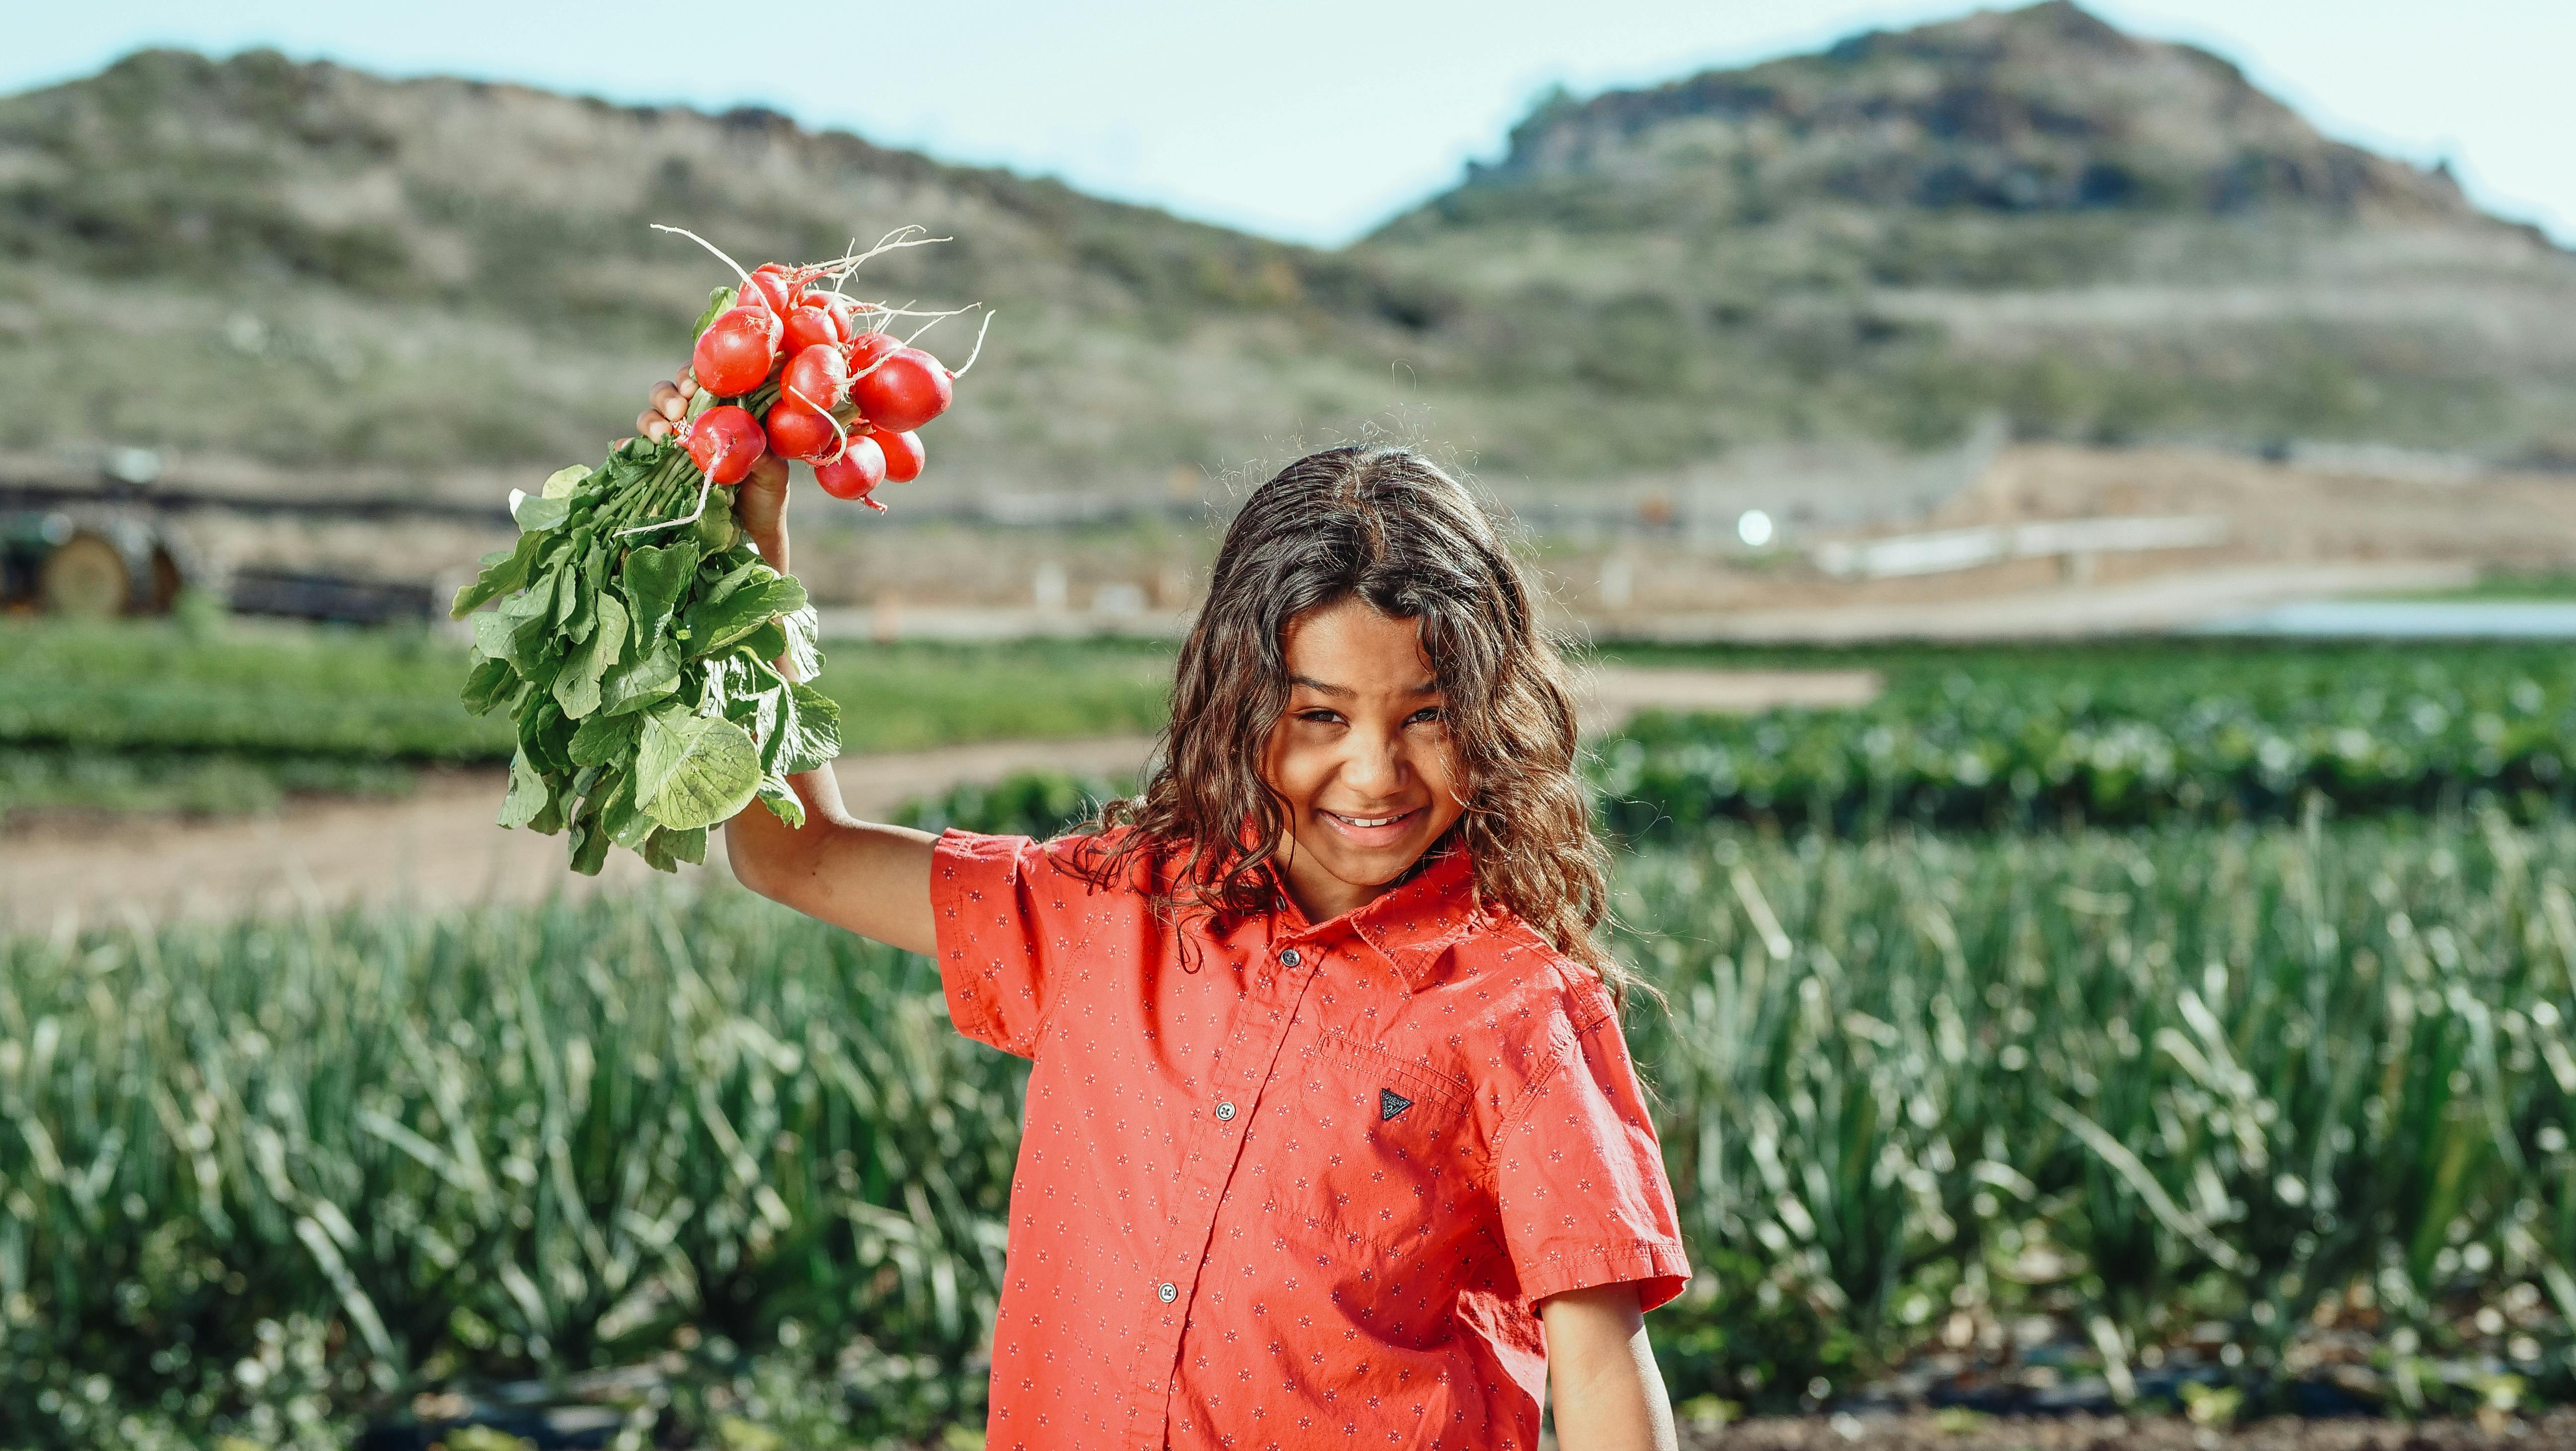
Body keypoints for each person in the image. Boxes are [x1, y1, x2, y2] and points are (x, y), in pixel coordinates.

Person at [639, 377, 1689, 1451]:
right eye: (1318, 714)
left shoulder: (1518, 1009)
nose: (1374, 771)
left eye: (1428, 716)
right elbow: (795, 850)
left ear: (1489, 713)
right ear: (1235, 699)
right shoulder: (1107, 908)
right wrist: (742, 541)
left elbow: (1601, 1363)